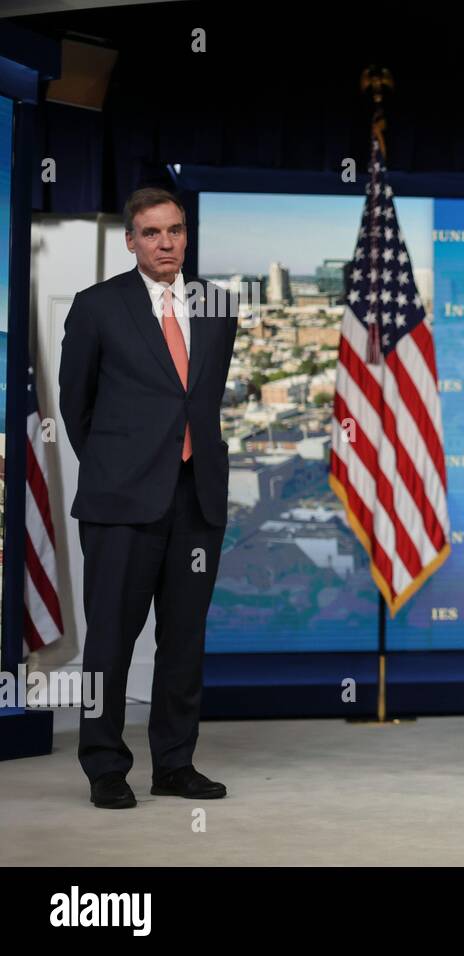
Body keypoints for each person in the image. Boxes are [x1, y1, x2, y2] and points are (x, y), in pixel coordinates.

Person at [60, 187, 238, 808]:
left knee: (184, 638)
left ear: (186, 235)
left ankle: (174, 763)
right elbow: (73, 406)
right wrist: (120, 469)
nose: (166, 243)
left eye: (176, 230)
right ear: (131, 240)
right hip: (121, 504)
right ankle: (105, 766)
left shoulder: (218, 305)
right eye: (152, 233)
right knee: (109, 639)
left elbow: (202, 397)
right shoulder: (96, 306)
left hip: (197, 501)